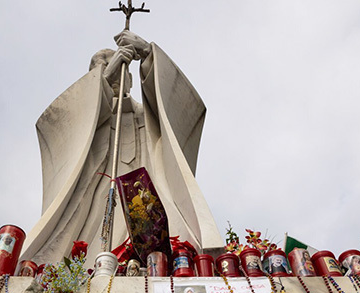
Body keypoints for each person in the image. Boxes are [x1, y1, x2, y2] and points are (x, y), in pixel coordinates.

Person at [20, 30, 224, 265]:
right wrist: (107, 76)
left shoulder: (146, 115)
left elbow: (177, 107)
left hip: (146, 184)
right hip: (98, 184)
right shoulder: (88, 119)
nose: (116, 73)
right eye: (105, 69)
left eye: (120, 69)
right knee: (93, 230)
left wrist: (147, 53)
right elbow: (59, 122)